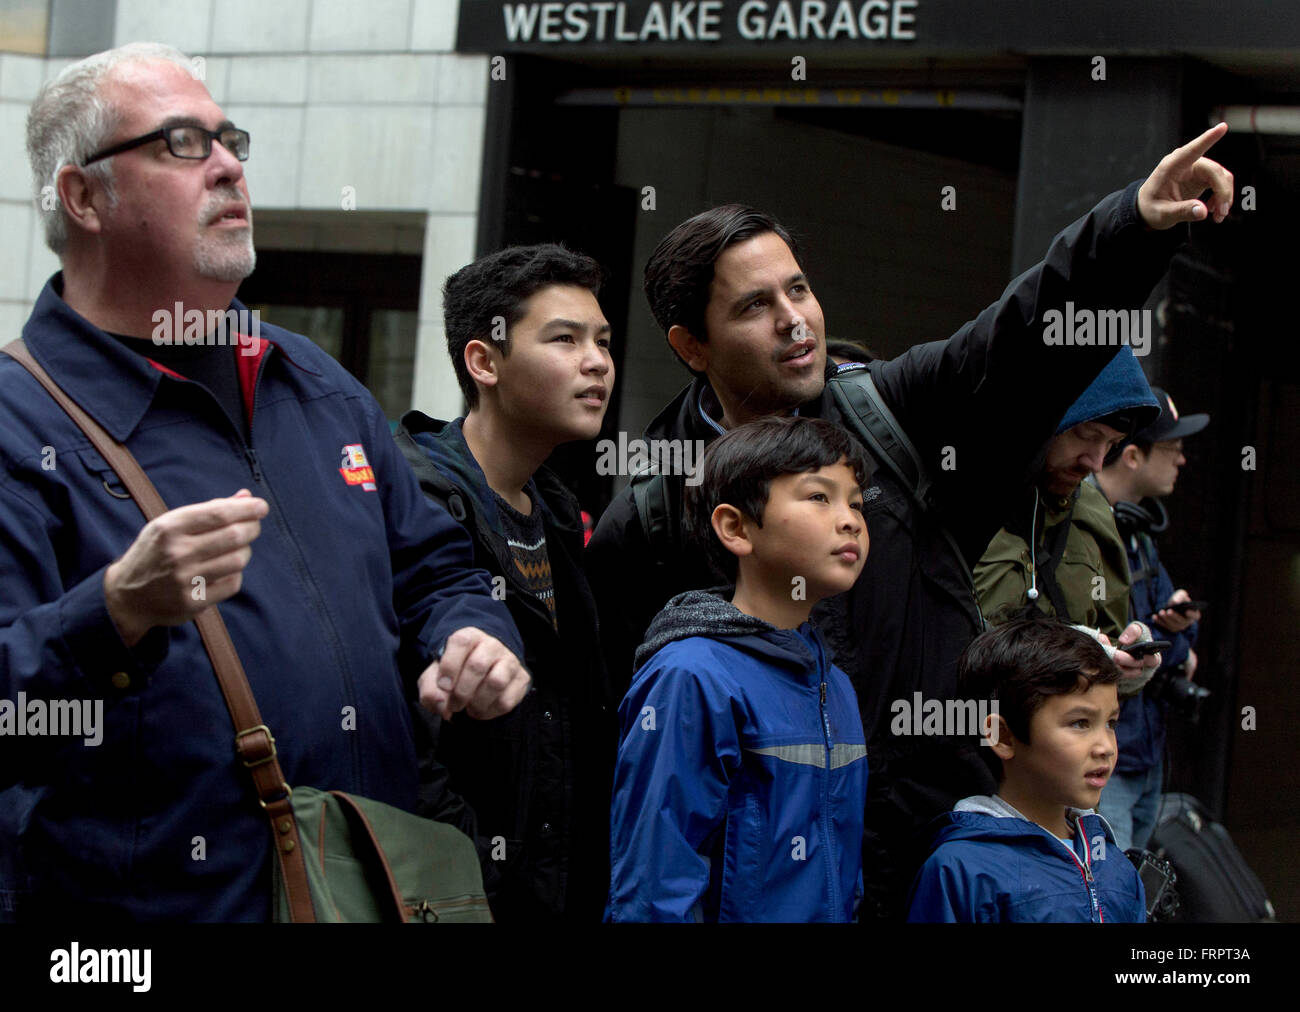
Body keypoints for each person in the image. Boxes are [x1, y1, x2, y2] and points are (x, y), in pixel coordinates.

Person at [586, 128, 1234, 919]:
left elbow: (1024, 334)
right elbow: (629, 771)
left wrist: (1134, 224)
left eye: (799, 290)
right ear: (691, 345)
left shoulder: (895, 414)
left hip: (932, 865)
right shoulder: (651, 518)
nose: (795, 320)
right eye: (756, 305)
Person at [0, 42, 529, 921]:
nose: (230, 167)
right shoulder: (19, 424)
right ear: (84, 196)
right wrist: (116, 607)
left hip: (373, 891)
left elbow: (436, 568)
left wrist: (469, 631)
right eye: (181, 144)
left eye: (230, 139)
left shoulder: (310, 378)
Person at [395, 243, 616, 921]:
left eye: (602, 340)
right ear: (483, 361)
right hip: (447, 891)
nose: (597, 362)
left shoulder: (561, 514)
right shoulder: (413, 503)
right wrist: (465, 872)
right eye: (564, 339)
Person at [606, 416, 870, 922]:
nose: (850, 520)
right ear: (736, 527)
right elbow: (653, 889)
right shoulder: (692, 675)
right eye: (819, 497)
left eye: (856, 503)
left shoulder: (834, 684)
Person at [906, 616, 1145, 922]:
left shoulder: (1115, 866)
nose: (1105, 747)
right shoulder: (963, 870)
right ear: (1003, 737)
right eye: (1079, 723)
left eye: (1110, 723)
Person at [974, 348, 1164, 693]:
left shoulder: (1094, 511)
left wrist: (1128, 665)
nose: (1097, 462)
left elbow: (1109, 641)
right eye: (1087, 436)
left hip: (1059, 741)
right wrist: (1058, 651)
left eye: (1113, 444)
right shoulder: (958, 493)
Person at [1093, 388, 1208, 850]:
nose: (1182, 460)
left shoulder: (1138, 531)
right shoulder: (1086, 527)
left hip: (1145, 754)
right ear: (1134, 455)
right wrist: (1172, 638)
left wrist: (1175, 636)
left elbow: (1177, 639)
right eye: (1174, 448)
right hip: (1107, 759)